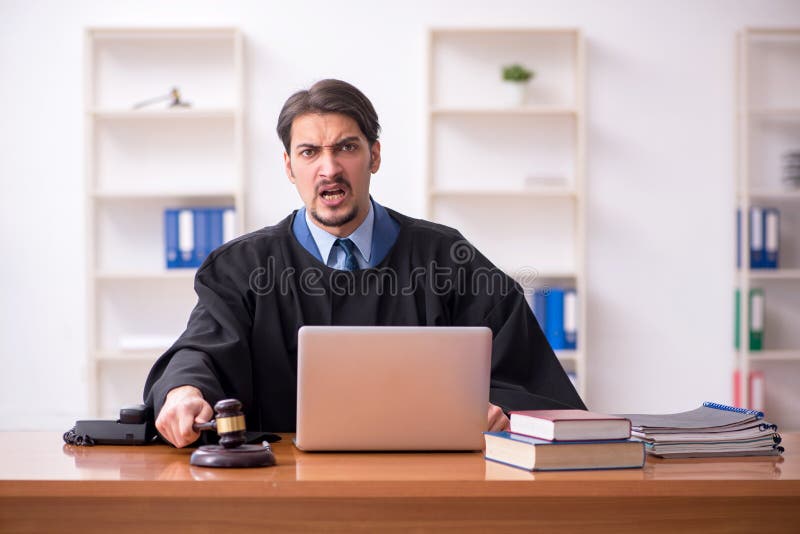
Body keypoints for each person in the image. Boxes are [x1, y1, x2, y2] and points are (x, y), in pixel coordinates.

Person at [144, 79, 585, 448]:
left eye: (346, 148)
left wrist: (498, 410)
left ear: (374, 156)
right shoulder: (241, 267)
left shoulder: (449, 260)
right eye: (309, 152)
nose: (329, 168)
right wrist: (184, 390)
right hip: (282, 488)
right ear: (288, 166)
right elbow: (200, 349)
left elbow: (530, 379)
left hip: (430, 487)